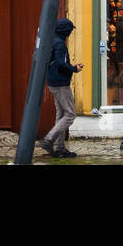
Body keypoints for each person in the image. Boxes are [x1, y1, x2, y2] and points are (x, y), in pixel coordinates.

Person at [40, 18, 84, 158]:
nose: (71, 33)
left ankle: (59, 148)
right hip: (60, 83)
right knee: (70, 114)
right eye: (70, 30)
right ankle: (48, 140)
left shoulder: (52, 40)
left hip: (53, 81)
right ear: (66, 31)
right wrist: (74, 68)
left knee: (61, 114)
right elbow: (60, 63)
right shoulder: (59, 44)